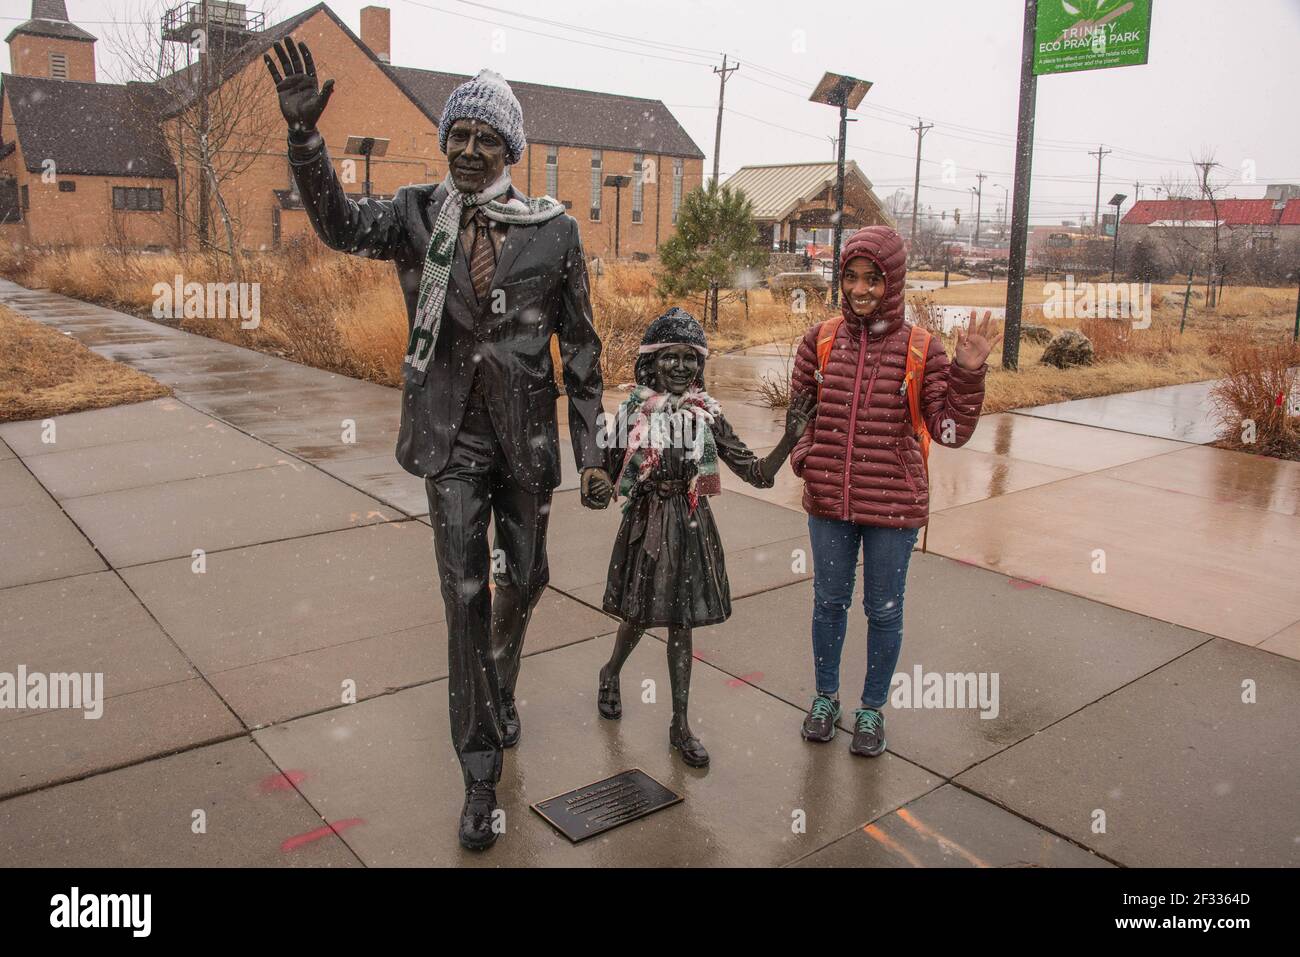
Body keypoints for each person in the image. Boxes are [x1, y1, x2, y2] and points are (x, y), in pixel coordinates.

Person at [264, 39, 614, 851]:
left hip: (526, 438)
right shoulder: (415, 213)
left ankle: (497, 680)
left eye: (484, 138)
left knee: (526, 578)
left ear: (508, 150)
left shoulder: (555, 231)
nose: (467, 149)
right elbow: (339, 225)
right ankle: (480, 772)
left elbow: (582, 348)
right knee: (464, 596)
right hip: (448, 437)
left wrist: (595, 454)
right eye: (458, 134)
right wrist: (306, 140)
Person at [789, 226, 1000, 757]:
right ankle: (825, 698)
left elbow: (949, 432)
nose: (860, 289)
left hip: (894, 504)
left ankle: (871, 710)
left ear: (894, 282)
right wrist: (806, 459)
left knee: (883, 611)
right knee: (829, 603)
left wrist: (967, 373)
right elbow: (800, 416)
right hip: (829, 503)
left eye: (873, 279)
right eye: (851, 277)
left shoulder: (922, 349)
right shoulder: (819, 341)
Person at [596, 308, 815, 767]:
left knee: (682, 625)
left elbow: (757, 474)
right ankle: (611, 671)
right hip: (646, 522)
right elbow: (605, 474)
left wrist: (790, 438)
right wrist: (594, 483)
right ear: (650, 362)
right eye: (670, 356)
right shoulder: (634, 412)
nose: (680, 366)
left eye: (690, 358)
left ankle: (679, 725)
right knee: (637, 616)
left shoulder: (706, 415)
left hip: (691, 523)